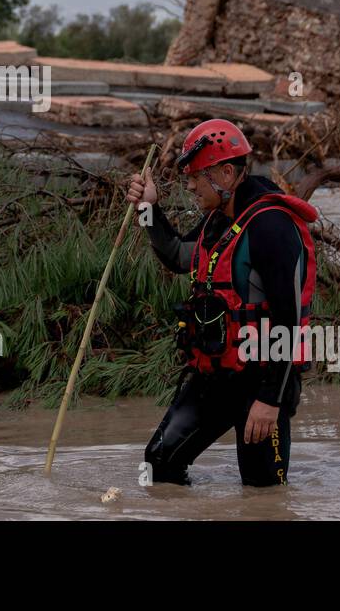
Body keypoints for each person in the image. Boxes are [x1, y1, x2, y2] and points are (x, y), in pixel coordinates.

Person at [126, 119, 318, 487]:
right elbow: (179, 256)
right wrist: (147, 209)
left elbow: (289, 321)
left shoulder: (272, 226)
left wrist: (269, 401)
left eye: (197, 176)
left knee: (262, 493)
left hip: (265, 380)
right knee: (158, 463)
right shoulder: (218, 220)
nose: (190, 185)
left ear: (227, 173)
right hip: (217, 375)